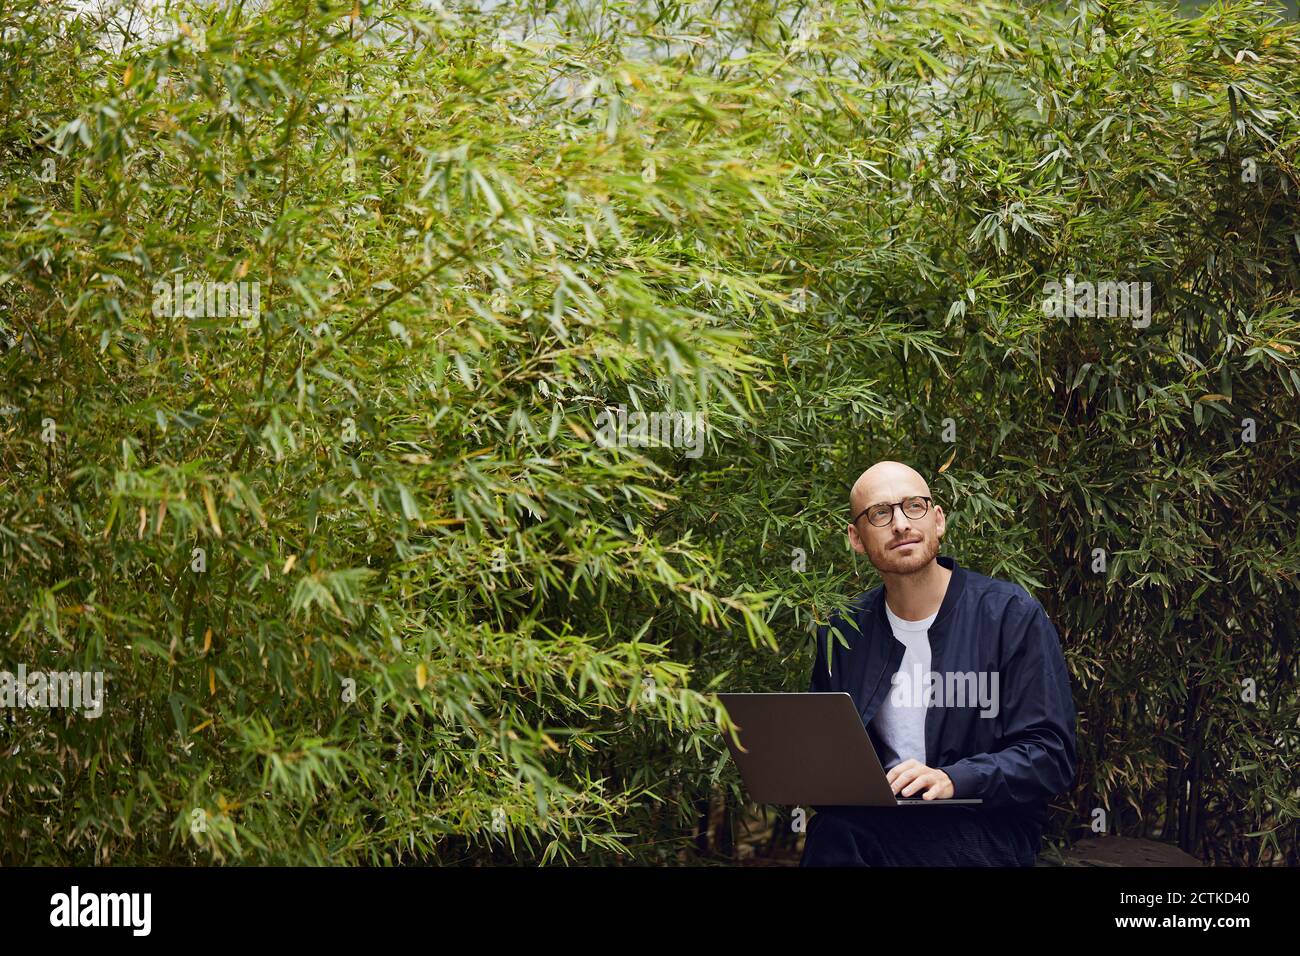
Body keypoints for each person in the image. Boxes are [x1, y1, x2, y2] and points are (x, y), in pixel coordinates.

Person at [800, 461, 1077, 866]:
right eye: (880, 513)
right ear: (857, 539)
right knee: (833, 833)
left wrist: (952, 778)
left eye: (914, 506)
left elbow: (1050, 754)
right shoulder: (844, 631)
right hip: (879, 821)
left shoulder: (1009, 615)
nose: (900, 524)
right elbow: (825, 747)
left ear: (938, 520)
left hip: (982, 821)